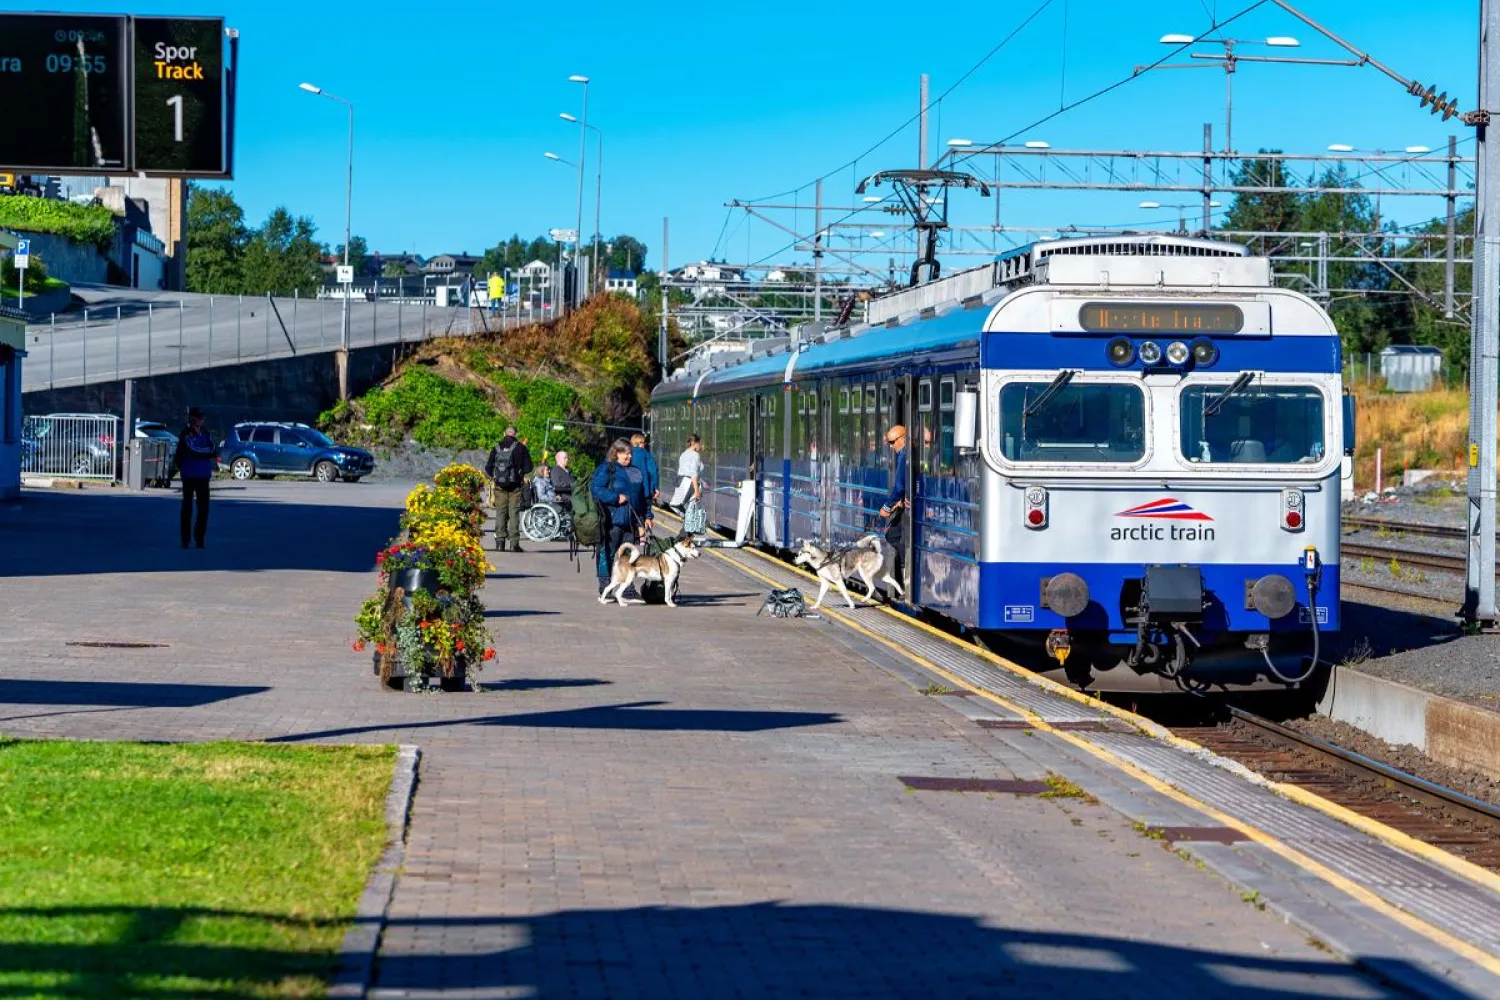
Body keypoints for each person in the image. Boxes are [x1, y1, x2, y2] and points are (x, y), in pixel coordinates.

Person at [591, 438, 652, 595]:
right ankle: (605, 584)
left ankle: (627, 588)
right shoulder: (606, 469)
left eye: (630, 453)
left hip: (631, 520)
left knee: (628, 555)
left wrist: (647, 515)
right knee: (608, 552)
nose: (630, 457)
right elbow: (596, 489)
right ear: (616, 453)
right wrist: (615, 498)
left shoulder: (636, 471)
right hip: (611, 518)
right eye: (626, 453)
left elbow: (644, 496)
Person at [485, 425, 533, 553]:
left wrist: (495, 477)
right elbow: (529, 467)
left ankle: (500, 542)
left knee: (501, 512)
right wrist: (520, 472)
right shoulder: (521, 448)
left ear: (504, 433)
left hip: (500, 486)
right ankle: (514, 544)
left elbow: (488, 467)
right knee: (514, 513)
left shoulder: (496, 447)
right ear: (515, 434)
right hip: (515, 486)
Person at [175, 406, 217, 549]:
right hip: (189, 475)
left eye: (202, 417)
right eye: (199, 417)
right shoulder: (186, 433)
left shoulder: (205, 432)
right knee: (187, 508)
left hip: (203, 476)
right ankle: (185, 540)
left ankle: (200, 539)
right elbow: (193, 449)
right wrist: (206, 452)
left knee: (203, 509)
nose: (202, 420)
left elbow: (213, 449)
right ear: (192, 418)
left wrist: (206, 452)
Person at [878, 423, 909, 591]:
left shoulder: (904, 455)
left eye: (893, 442)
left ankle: (905, 575)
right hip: (904, 503)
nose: (891, 446)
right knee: (895, 535)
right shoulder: (903, 454)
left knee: (893, 535)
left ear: (903, 438)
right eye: (889, 443)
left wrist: (887, 506)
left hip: (905, 506)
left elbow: (899, 487)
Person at [669, 434, 703, 510]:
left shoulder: (683, 454)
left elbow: (681, 471)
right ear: (695, 443)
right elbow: (693, 474)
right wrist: (697, 491)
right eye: (700, 444)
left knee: (680, 508)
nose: (700, 446)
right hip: (690, 485)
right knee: (691, 510)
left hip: (681, 483)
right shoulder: (695, 455)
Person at [630, 432, 660, 506]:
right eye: (644, 443)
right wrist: (655, 488)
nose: (645, 445)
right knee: (646, 515)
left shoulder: (628, 453)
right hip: (645, 491)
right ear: (641, 443)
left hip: (629, 490)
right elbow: (653, 472)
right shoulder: (646, 454)